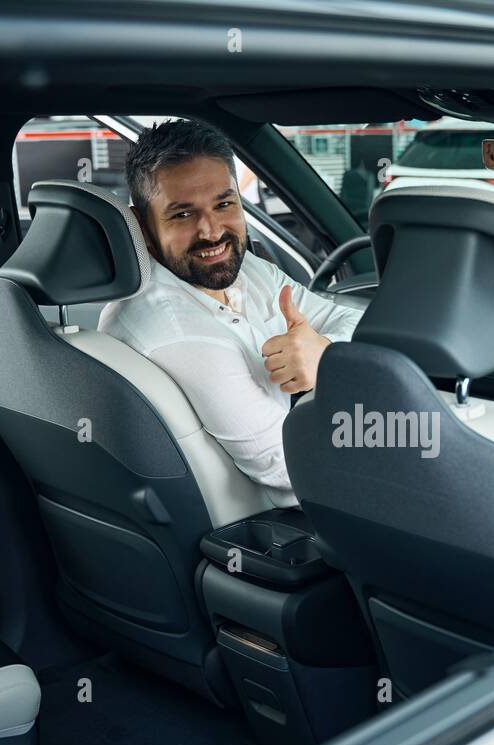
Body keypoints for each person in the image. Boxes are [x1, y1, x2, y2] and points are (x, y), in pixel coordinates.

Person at [100, 120, 364, 508]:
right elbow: (294, 469)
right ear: (143, 226)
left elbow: (353, 321)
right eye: (182, 214)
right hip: (282, 532)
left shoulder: (246, 271)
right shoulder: (175, 333)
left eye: (224, 204)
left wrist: (327, 352)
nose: (211, 232)